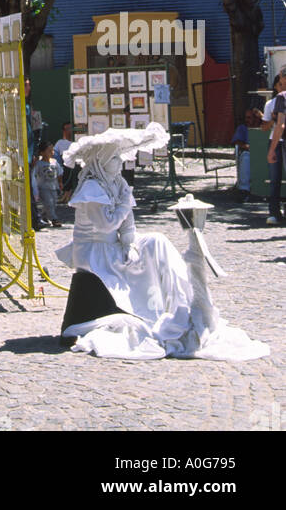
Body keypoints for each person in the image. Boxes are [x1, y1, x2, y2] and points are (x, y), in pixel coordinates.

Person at [56, 122, 269, 361]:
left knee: (157, 241)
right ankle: (155, 310)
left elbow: (127, 222)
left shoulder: (117, 183)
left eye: (119, 157)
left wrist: (130, 243)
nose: (119, 162)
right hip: (95, 252)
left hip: (115, 246)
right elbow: (107, 224)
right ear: (101, 160)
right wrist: (125, 206)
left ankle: (182, 305)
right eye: (113, 158)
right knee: (141, 258)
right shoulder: (91, 188)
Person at [266, 66, 286, 226]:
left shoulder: (282, 97)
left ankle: (275, 212)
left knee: (275, 179)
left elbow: (281, 125)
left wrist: (272, 149)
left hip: (281, 142)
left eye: (280, 78)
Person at [33, 139, 62, 228]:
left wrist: (60, 183)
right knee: (48, 202)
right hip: (43, 187)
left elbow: (59, 173)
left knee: (53, 203)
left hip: (53, 186)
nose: (51, 152)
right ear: (42, 152)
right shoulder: (39, 164)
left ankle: (44, 216)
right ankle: (54, 219)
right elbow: (34, 174)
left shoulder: (54, 162)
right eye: (49, 150)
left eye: (52, 150)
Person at [54, 120, 76, 202]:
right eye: (67, 129)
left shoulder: (76, 142)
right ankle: (66, 194)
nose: (69, 131)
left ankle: (68, 194)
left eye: (71, 128)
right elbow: (54, 154)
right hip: (63, 164)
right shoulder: (60, 142)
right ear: (64, 131)